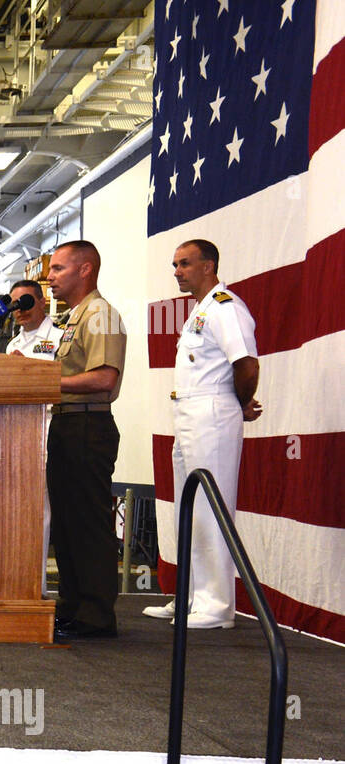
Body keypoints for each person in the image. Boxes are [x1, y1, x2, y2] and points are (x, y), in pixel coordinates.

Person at [143, 239, 261, 631]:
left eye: (184, 263)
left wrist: (237, 403)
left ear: (208, 266)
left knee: (212, 507)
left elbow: (246, 364)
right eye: (175, 264)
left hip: (212, 412)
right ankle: (191, 596)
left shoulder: (227, 307)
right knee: (188, 509)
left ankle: (217, 605)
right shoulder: (201, 310)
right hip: (189, 413)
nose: (177, 271)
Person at [45, 240, 127, 642]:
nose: (49, 277)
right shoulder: (76, 316)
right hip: (66, 425)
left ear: (85, 269)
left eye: (58, 268)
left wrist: (44, 382)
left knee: (88, 523)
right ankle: (73, 606)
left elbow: (105, 379)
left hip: (87, 427)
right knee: (66, 523)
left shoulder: (101, 315)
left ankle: (96, 614)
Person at [7, 278, 63, 589]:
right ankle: (15, 581)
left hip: (46, 432)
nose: (20, 310)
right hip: (16, 435)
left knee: (39, 514)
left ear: (42, 302)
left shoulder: (59, 338)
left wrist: (26, 367)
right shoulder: (12, 344)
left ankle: (36, 586)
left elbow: (59, 382)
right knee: (15, 514)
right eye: (15, 304)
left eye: (26, 302)